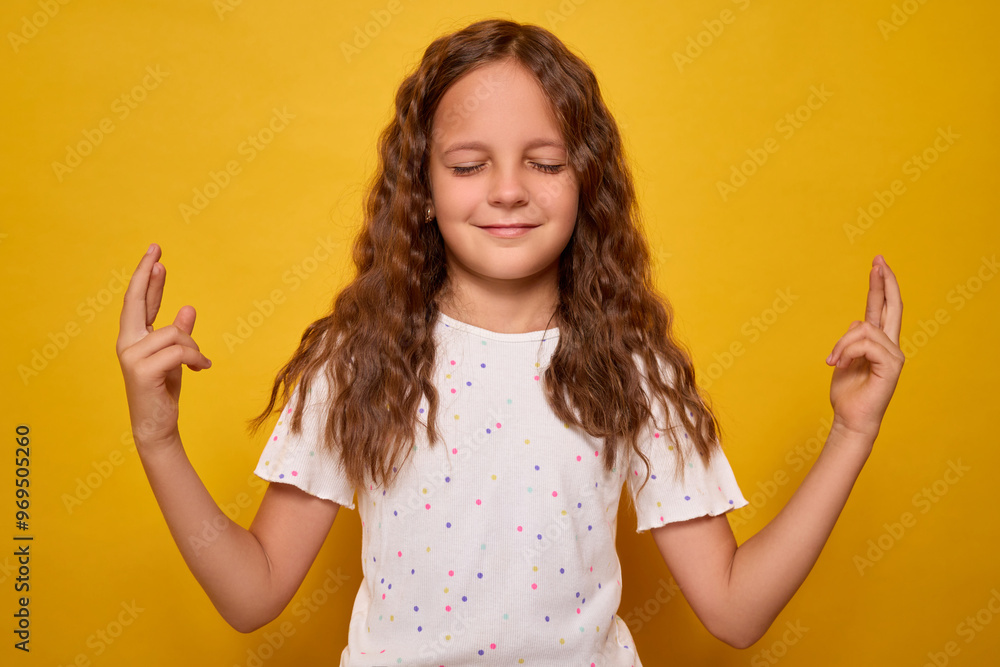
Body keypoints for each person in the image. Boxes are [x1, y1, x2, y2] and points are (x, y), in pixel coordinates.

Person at [115, 18, 905, 666]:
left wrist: (850, 432)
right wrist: (158, 439)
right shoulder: (358, 362)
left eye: (545, 161)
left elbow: (734, 611)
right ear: (422, 188)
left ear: (585, 181)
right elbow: (251, 596)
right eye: (467, 164)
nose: (506, 189)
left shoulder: (636, 372)